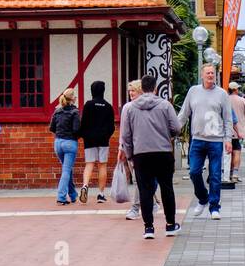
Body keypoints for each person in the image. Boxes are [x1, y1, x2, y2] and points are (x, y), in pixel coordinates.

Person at [119, 71, 181, 239]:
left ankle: (148, 228)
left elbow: (125, 135)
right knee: (167, 188)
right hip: (162, 152)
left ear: (142, 88)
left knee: (145, 190)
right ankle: (170, 225)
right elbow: (176, 128)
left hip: (141, 155)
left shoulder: (130, 108)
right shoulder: (165, 105)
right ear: (154, 88)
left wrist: (131, 155)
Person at [178, 63, 233, 220]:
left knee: (215, 175)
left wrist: (228, 139)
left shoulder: (222, 94)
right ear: (201, 75)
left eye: (212, 73)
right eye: (208, 73)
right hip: (197, 139)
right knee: (194, 172)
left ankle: (214, 207)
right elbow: (183, 114)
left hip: (216, 141)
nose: (210, 75)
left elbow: (228, 119)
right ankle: (203, 198)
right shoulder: (193, 91)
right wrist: (173, 129)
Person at [78, 79, 115, 203]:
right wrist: (106, 136)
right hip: (103, 140)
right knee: (102, 165)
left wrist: (83, 135)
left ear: (92, 91)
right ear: (103, 91)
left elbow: (83, 123)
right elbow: (112, 127)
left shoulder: (88, 105)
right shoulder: (108, 106)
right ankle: (101, 194)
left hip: (89, 140)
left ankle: (85, 186)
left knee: (89, 164)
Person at [118, 79, 145, 220]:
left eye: (133, 90)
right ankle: (153, 203)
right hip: (132, 147)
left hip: (139, 148)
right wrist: (121, 147)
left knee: (138, 179)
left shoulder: (134, 107)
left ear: (140, 90)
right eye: (129, 91)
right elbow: (124, 130)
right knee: (140, 178)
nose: (130, 93)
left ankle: (135, 208)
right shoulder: (128, 107)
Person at [49, 88, 80, 205]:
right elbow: (76, 129)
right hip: (70, 143)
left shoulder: (57, 111)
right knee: (66, 170)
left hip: (58, 143)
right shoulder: (75, 112)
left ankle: (72, 195)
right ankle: (61, 197)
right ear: (73, 98)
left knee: (67, 170)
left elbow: (52, 128)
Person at [227, 81, 245, 182]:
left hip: (227, 131)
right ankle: (235, 175)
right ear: (236, 89)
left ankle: (228, 173)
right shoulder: (242, 100)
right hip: (239, 131)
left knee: (228, 153)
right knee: (237, 152)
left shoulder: (225, 100)